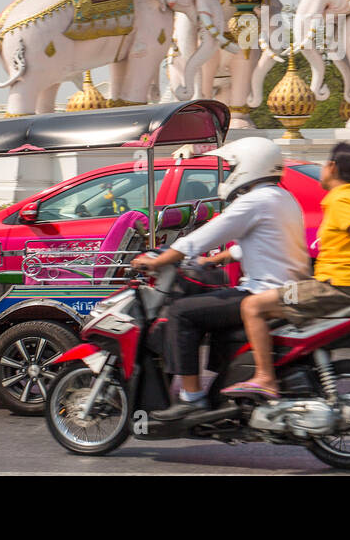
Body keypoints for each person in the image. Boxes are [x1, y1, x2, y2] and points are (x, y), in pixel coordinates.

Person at [129, 138, 310, 420]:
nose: (230, 172)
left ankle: (191, 398)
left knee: (181, 313)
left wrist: (157, 260)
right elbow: (269, 241)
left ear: (249, 166)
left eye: (233, 166)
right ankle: (223, 384)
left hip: (264, 291)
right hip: (288, 289)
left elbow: (203, 236)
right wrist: (218, 258)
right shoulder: (282, 197)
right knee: (214, 303)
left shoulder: (253, 202)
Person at [222, 141, 350, 401]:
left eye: (324, 164)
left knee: (253, 307)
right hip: (339, 282)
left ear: (332, 167)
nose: (322, 169)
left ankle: (265, 378)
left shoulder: (342, 199)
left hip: (338, 287)